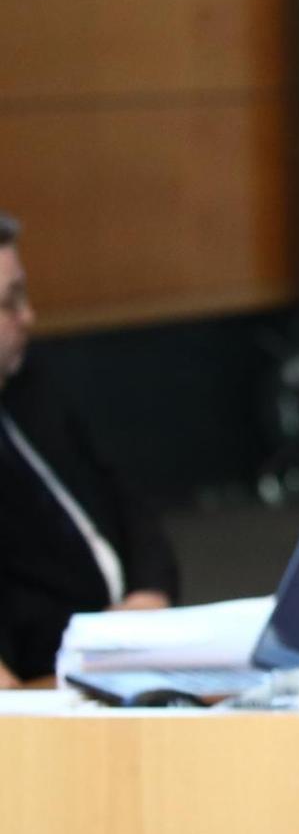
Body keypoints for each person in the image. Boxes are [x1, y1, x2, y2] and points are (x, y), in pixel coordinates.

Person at [0, 212, 178, 685]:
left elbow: (126, 499)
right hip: (52, 685)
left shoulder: (33, 385)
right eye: (10, 301)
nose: (28, 316)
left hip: (130, 649)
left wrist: (151, 593)